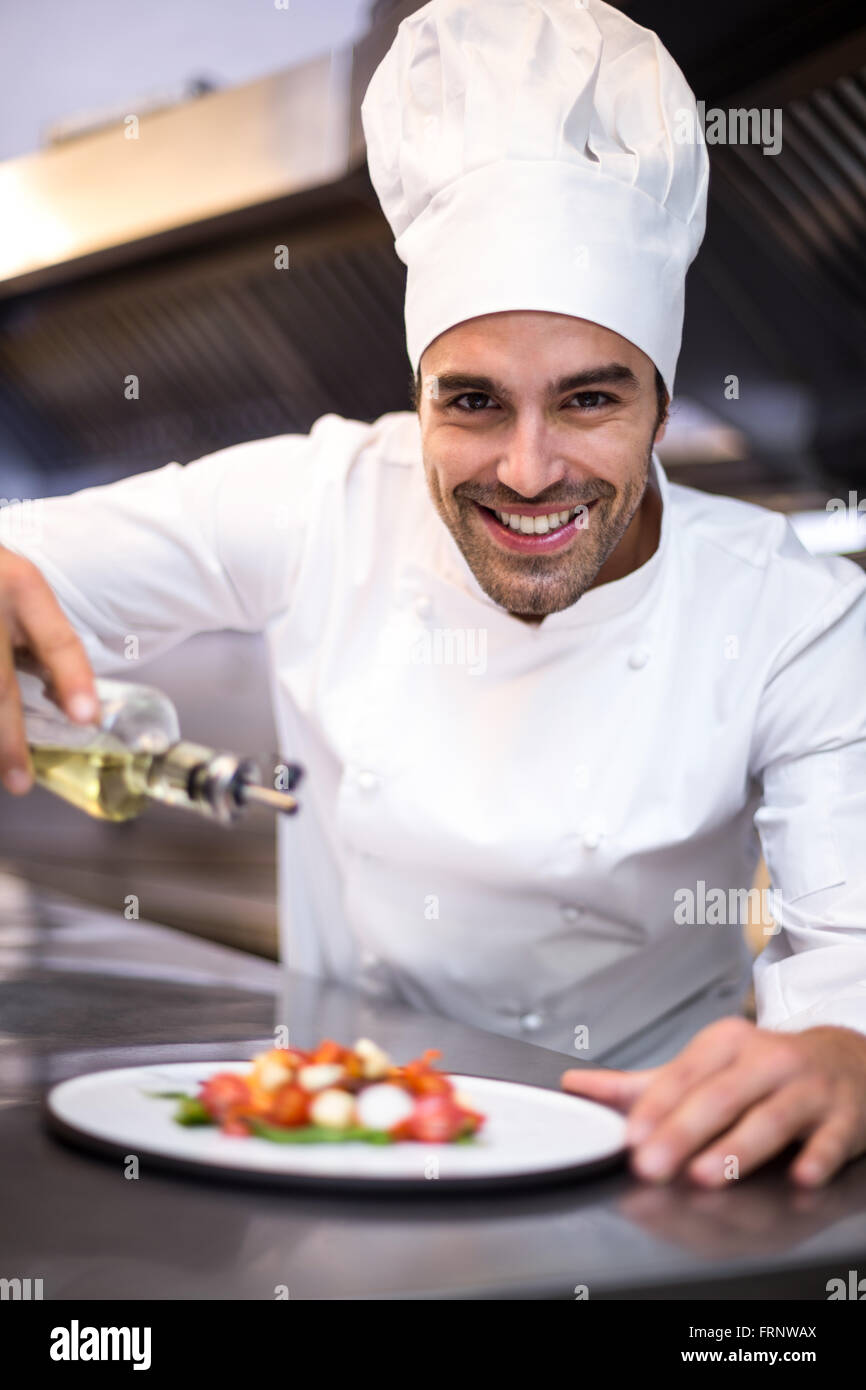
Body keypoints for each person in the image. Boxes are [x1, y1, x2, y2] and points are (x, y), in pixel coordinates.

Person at [1, 0, 865, 1188]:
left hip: (645, 1167)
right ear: (416, 396)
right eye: (471, 402)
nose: (525, 469)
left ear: (662, 409)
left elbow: (852, 957)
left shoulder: (793, 614)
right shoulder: (321, 501)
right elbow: (27, 560)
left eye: (588, 400)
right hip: (325, 1137)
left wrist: (841, 1051)